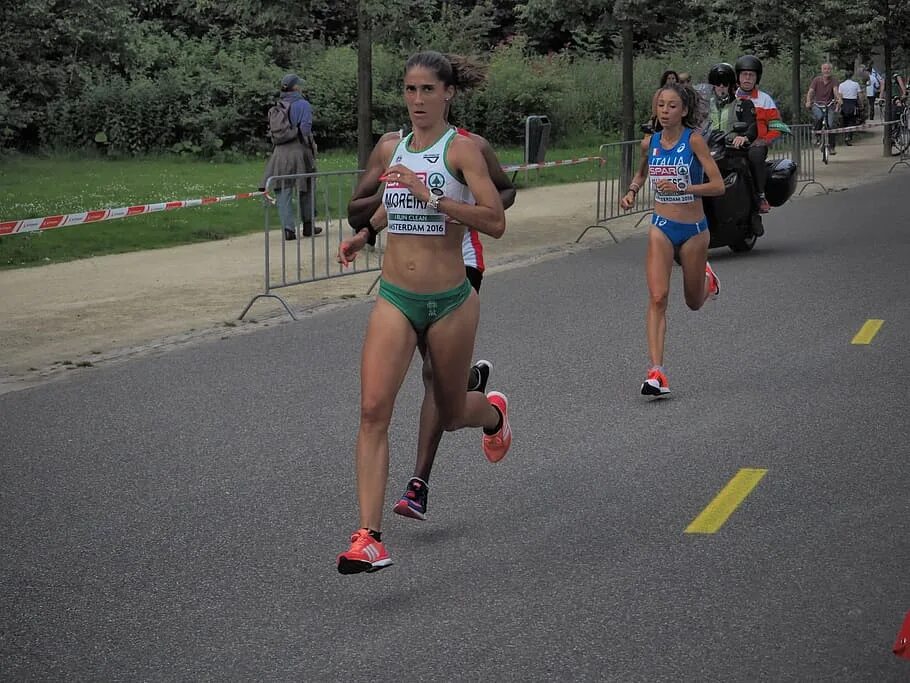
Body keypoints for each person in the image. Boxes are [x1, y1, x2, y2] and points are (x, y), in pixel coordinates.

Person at [334, 51, 512, 574]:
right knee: (372, 409)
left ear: (448, 94)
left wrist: (432, 198)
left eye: (427, 91)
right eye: (410, 90)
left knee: (452, 410)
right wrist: (366, 232)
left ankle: (493, 412)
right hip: (395, 295)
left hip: (452, 302)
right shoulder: (393, 146)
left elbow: (495, 219)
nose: (416, 101)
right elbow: (394, 200)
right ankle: (368, 537)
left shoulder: (463, 150)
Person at [619, 82, 725, 397]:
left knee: (693, 302)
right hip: (661, 226)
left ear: (685, 110)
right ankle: (656, 373)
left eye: (672, 106)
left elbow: (718, 185)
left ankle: (708, 282)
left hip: (693, 230)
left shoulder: (694, 142)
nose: (665, 111)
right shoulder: (649, 143)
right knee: (657, 298)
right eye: (661, 105)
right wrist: (632, 191)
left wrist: (686, 188)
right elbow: (641, 173)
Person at [261, 73, 322, 240]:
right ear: (295, 87)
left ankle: (288, 229)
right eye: (299, 85)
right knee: (306, 187)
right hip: (299, 150)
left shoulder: (278, 106)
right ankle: (308, 226)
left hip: (279, 153)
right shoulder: (303, 104)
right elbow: (305, 130)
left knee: (283, 189)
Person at [735, 55, 782, 214]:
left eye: (751, 75)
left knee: (755, 155)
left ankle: (761, 195)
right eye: (744, 74)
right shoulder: (731, 98)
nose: (747, 78)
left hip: (756, 144)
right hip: (732, 143)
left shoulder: (765, 99)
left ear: (757, 78)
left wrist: (765, 140)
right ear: (738, 77)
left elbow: (777, 126)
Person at [706, 62, 755, 145]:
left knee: (755, 154)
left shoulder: (743, 104)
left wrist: (745, 137)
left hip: (732, 149)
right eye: (718, 82)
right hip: (707, 148)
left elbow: (752, 126)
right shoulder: (704, 105)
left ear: (731, 85)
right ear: (713, 85)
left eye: (725, 83)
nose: (721, 86)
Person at [805, 63, 842, 153]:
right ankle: (816, 134)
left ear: (831, 70)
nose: (827, 71)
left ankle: (831, 147)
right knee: (819, 116)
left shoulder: (834, 80)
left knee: (831, 125)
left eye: (829, 69)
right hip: (817, 105)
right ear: (822, 70)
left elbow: (835, 91)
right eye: (825, 69)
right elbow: (810, 92)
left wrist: (839, 99)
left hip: (829, 105)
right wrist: (808, 101)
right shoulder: (816, 80)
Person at [838, 71, 862, 145]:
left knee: (845, 120)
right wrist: (861, 104)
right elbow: (859, 95)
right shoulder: (856, 84)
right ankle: (849, 136)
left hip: (845, 103)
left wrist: (839, 105)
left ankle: (846, 135)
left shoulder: (841, 85)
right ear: (851, 76)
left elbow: (840, 96)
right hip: (853, 103)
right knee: (852, 120)